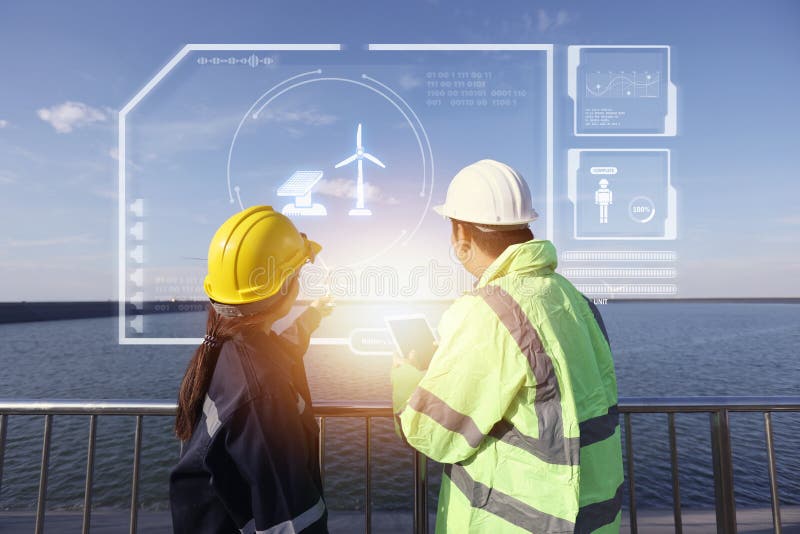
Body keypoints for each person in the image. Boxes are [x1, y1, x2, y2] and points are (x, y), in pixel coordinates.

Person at [392, 160, 623, 533]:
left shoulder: (488, 311)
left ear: (459, 232)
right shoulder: (576, 300)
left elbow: (434, 434)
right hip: (593, 518)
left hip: (520, 522)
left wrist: (407, 377)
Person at [170, 205, 332, 534]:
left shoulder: (226, 349)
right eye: (298, 274)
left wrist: (311, 318)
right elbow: (289, 523)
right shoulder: (262, 392)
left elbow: (276, 352)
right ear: (285, 287)